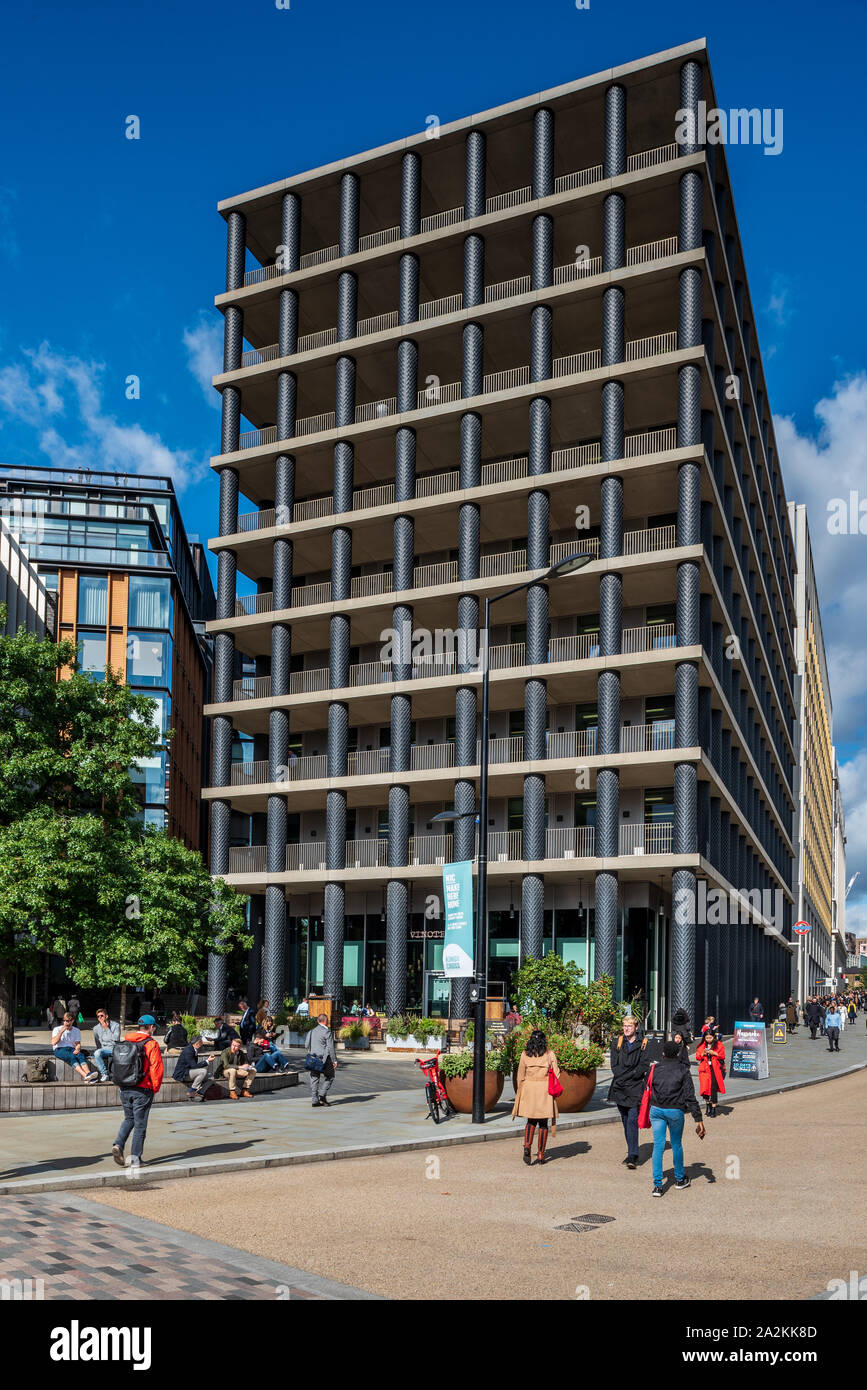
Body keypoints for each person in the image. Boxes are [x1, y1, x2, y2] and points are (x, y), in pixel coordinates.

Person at [649, 1040, 705, 1196]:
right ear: (678, 1054)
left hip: (656, 1109)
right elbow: (689, 1096)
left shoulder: (654, 1069)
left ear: (663, 1053)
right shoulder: (683, 1070)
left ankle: (658, 1185)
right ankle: (680, 1179)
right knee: (676, 1144)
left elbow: (646, 1089)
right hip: (675, 1110)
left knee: (658, 1146)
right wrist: (698, 1119)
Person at [111, 1015, 164, 1169]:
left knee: (129, 1119)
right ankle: (135, 1159)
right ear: (151, 1027)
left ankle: (118, 1144)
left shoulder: (126, 1041)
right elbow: (156, 1068)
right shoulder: (151, 1044)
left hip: (124, 1087)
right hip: (143, 1088)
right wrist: (154, 1088)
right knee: (140, 1124)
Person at [607, 1015, 653, 1169]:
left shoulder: (644, 1044)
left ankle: (633, 1155)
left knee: (632, 1119)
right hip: (619, 1086)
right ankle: (631, 1151)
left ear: (636, 1027)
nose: (626, 1028)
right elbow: (614, 1065)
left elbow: (643, 1066)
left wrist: (630, 1075)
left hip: (634, 1087)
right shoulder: (617, 1043)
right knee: (625, 1120)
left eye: (629, 1026)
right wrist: (623, 1075)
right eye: (624, 1025)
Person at [512, 1028, 561, 1166]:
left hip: (529, 1089)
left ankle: (527, 1146)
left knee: (531, 1121)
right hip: (544, 1090)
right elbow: (556, 1074)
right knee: (543, 1124)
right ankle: (540, 1154)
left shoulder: (524, 1054)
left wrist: (520, 1091)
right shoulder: (549, 1054)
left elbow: (520, 1075)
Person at [52, 1013, 99, 1082]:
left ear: (72, 1021)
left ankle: (89, 1074)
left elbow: (78, 1044)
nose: (65, 1023)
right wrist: (61, 1031)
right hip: (59, 1049)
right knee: (71, 1056)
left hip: (71, 1048)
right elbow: (53, 1043)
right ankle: (85, 1075)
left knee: (80, 1055)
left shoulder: (76, 1030)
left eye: (68, 1021)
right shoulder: (57, 1029)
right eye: (64, 1020)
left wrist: (77, 1049)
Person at [307, 1013, 338, 1107]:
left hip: (312, 1058)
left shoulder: (311, 1031)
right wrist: (334, 1060)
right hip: (323, 1059)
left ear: (318, 1021)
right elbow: (331, 1047)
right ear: (326, 1021)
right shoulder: (327, 1032)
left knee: (314, 1079)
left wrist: (312, 1051)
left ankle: (314, 1100)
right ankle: (322, 1094)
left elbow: (306, 1045)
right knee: (330, 1076)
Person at [172, 1035, 216, 1101]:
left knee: (211, 1078)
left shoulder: (193, 1049)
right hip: (183, 1074)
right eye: (201, 1041)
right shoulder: (188, 1050)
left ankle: (199, 1093)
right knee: (203, 1071)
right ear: (197, 1043)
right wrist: (207, 1061)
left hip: (189, 1071)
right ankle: (191, 1091)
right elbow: (194, 1066)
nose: (202, 1043)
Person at [696, 1030, 726, 1118]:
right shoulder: (701, 1045)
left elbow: (722, 1055)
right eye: (707, 1038)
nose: (708, 1039)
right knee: (704, 1088)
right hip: (705, 1069)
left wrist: (714, 1053)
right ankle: (708, 1104)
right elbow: (697, 1057)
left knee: (713, 1088)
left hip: (715, 1069)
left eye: (710, 1038)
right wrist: (703, 1053)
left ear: (714, 1037)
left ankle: (713, 1108)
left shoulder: (719, 1044)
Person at [91, 1007, 121, 1081]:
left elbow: (116, 1039)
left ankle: (105, 1074)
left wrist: (106, 1028)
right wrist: (100, 1050)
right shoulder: (96, 1028)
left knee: (98, 1052)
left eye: (102, 1016)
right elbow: (97, 1042)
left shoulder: (116, 1025)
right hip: (103, 1049)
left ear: (106, 1016)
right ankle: (104, 1074)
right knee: (97, 1052)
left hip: (114, 1048)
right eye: (98, 1016)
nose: (100, 1018)